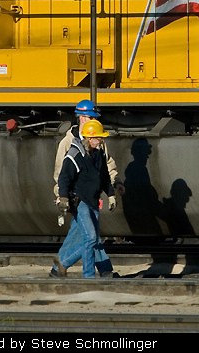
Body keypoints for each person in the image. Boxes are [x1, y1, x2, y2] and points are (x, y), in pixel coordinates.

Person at [51, 99, 124, 278]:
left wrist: (115, 184)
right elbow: (61, 174)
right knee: (90, 238)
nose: (93, 120)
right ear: (81, 118)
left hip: (91, 197)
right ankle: (95, 271)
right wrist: (63, 198)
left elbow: (106, 166)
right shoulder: (68, 143)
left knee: (88, 236)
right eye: (90, 117)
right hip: (76, 198)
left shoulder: (97, 140)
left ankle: (62, 268)